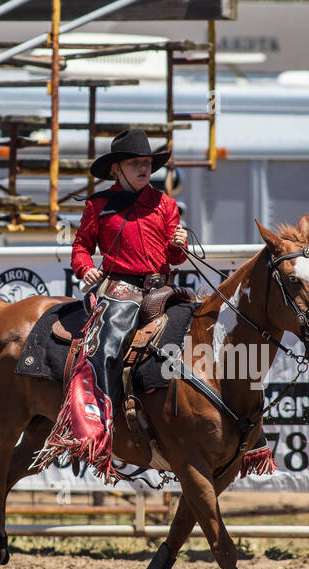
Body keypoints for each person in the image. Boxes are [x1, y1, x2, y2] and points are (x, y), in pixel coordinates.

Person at [32, 129, 189, 482]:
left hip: (162, 287)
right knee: (103, 349)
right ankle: (95, 429)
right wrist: (86, 268)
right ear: (117, 169)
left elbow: (174, 257)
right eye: (136, 163)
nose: (144, 168)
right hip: (120, 288)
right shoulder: (98, 206)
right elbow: (81, 247)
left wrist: (179, 244)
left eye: (148, 163)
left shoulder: (165, 204)